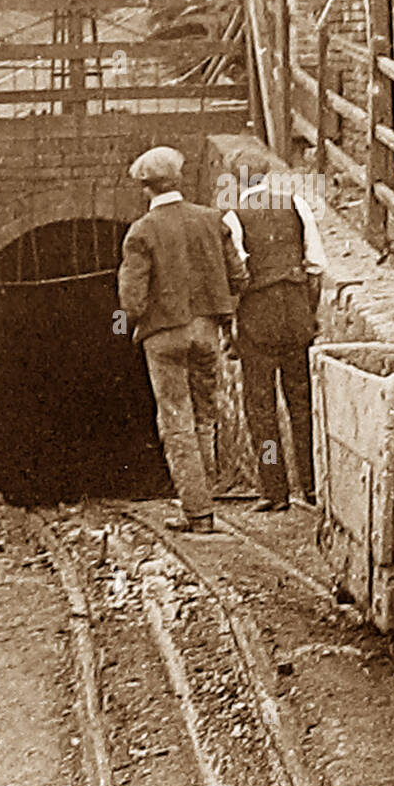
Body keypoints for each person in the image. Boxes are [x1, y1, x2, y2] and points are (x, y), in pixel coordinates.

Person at [118, 146, 246, 534]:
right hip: (206, 333)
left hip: (164, 337)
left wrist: (136, 323)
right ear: (179, 180)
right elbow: (239, 276)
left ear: (146, 189)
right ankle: (204, 498)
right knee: (205, 416)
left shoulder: (141, 231)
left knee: (176, 421)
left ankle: (197, 511)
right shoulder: (213, 220)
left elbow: (132, 299)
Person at [222, 156, 327, 511]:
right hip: (296, 318)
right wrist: (307, 313)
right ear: (266, 175)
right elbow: (315, 266)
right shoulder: (296, 205)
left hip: (258, 324)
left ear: (236, 181)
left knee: (261, 409)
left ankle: (274, 490)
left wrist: (232, 327)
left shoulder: (234, 217)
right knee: (302, 403)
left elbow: (236, 277)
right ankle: (312, 486)